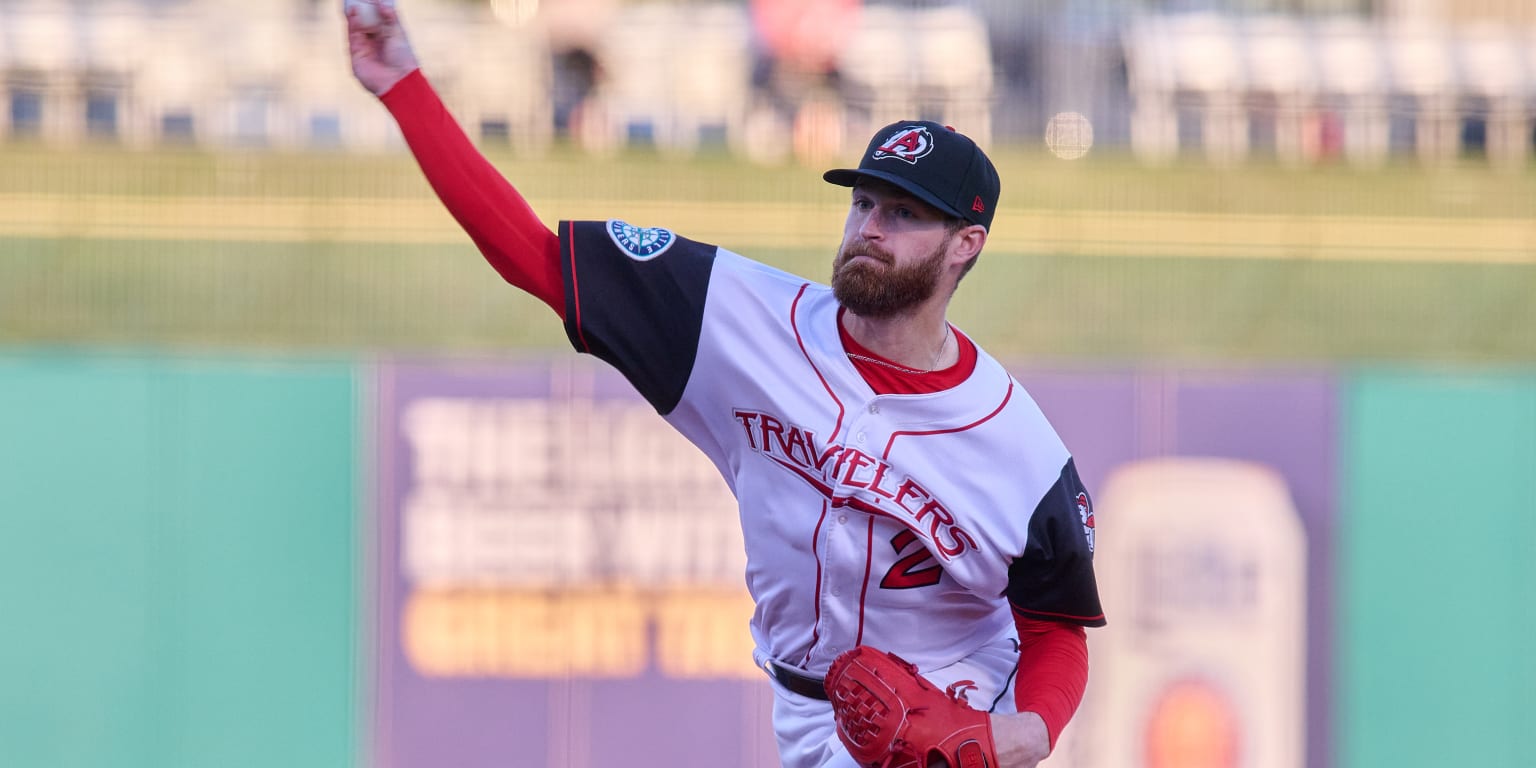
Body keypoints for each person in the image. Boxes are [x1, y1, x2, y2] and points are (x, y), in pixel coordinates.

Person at [346, 4, 1104, 767]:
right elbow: (536, 260)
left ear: (964, 245)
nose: (869, 227)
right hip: (807, 716)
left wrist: (1028, 732)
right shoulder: (737, 319)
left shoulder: (1020, 450)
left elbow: (1055, 625)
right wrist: (404, 86)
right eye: (863, 201)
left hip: (957, 710)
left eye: (903, 213)